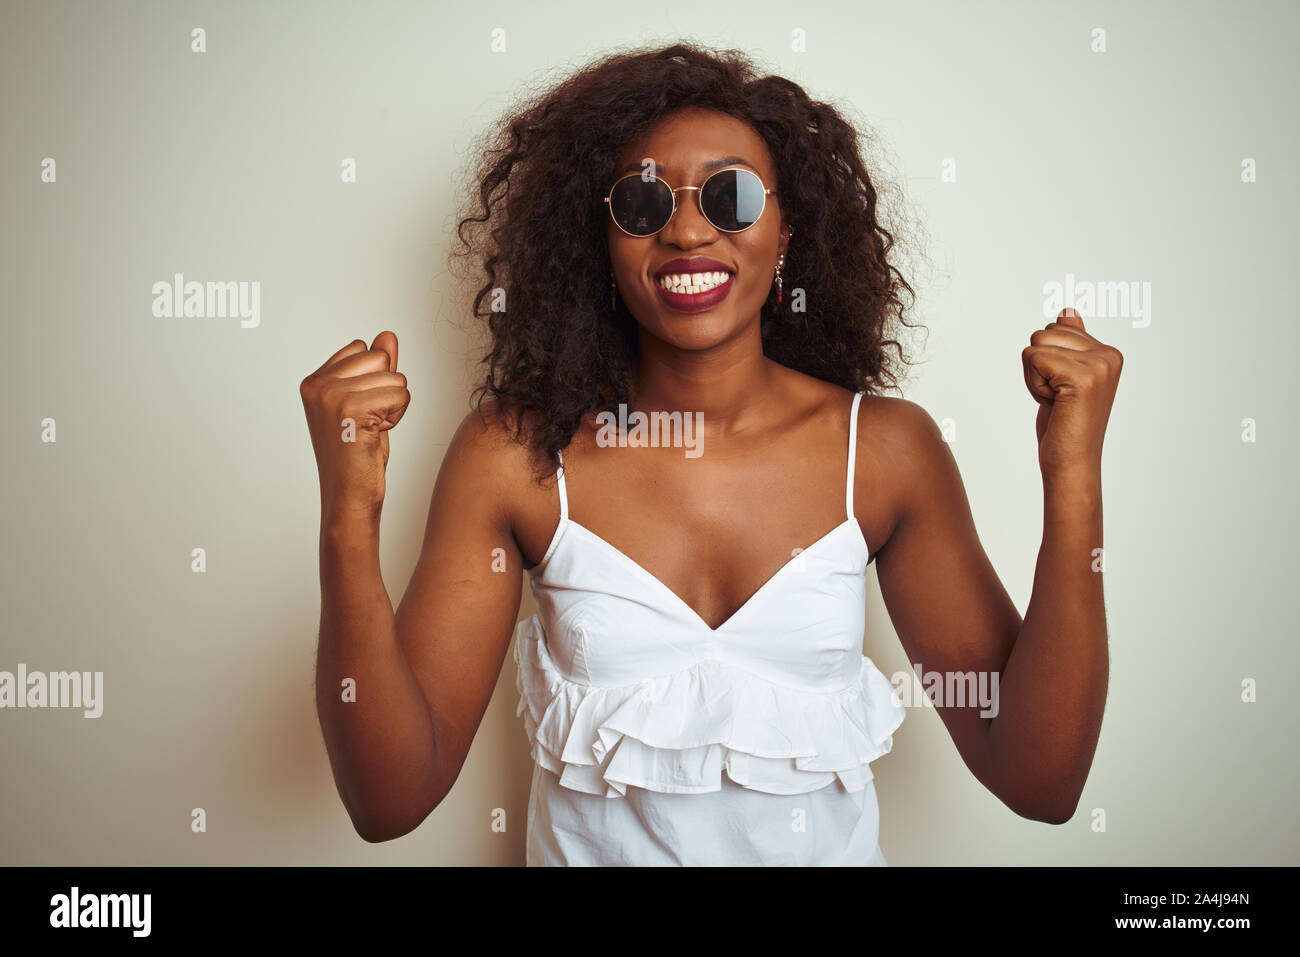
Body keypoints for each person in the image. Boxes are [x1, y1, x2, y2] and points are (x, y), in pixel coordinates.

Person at [299, 43, 1122, 865]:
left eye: (730, 197)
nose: (688, 229)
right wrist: (347, 516)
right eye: (643, 202)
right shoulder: (515, 458)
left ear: (787, 228)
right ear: (602, 239)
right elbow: (390, 801)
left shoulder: (884, 452)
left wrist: (1073, 473)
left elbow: (1039, 780)